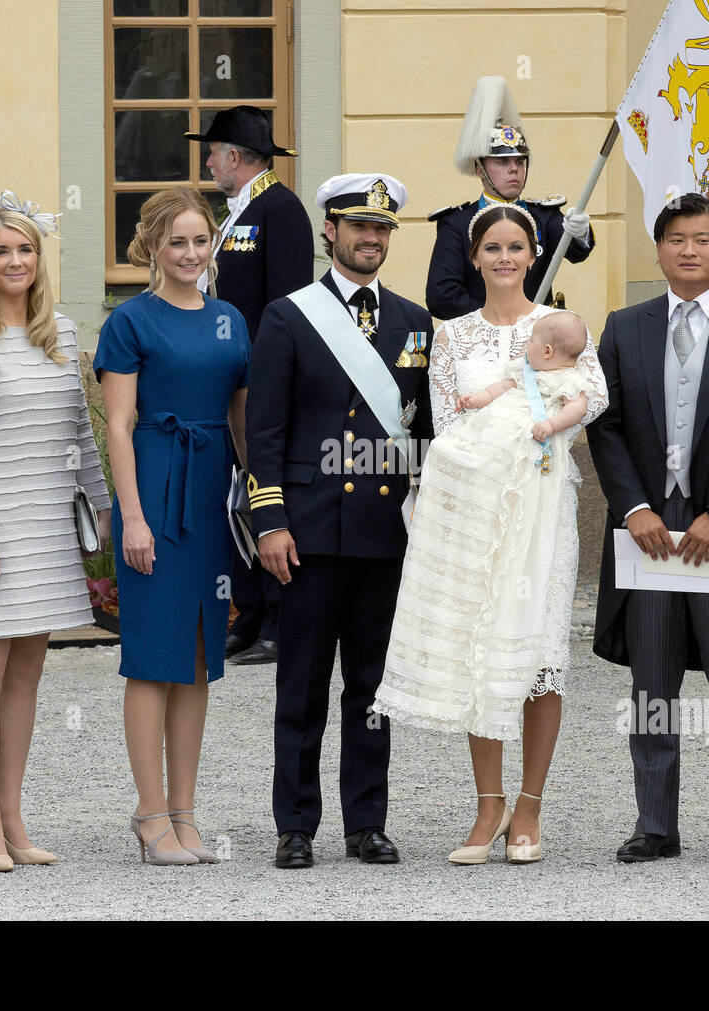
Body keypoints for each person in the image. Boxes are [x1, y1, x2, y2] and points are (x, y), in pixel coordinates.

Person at [585, 192, 709, 865]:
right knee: (653, 685)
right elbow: (606, 426)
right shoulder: (624, 327)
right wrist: (633, 508)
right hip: (647, 529)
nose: (690, 250)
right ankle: (655, 824)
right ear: (659, 250)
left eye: (704, 238)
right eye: (676, 239)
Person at [374, 298, 606, 864]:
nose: (506, 259)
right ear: (476, 258)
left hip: (543, 505)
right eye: (493, 252)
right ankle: (489, 805)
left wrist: (544, 423)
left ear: (531, 257)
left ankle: (529, 806)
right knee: (480, 645)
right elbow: (450, 424)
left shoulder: (561, 326)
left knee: (541, 653)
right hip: (478, 507)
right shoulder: (452, 335)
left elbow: (594, 400)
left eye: (517, 252)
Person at [247, 173, 433, 869]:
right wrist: (269, 520)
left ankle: (367, 822)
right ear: (330, 231)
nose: (371, 238)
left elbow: (426, 430)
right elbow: (264, 429)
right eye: (359, 226)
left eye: (381, 228)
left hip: (383, 532)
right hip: (308, 530)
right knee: (301, 684)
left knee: (373, 687)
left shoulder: (415, 321)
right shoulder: (289, 316)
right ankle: (295, 825)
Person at [0, 191, 111, 871]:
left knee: (29, 670)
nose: (15, 261)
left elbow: (81, 432)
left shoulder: (60, 331)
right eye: (2, 250)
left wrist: (104, 509)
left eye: (26, 249)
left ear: (40, 258)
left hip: (49, 522)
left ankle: (13, 816)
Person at [95, 187, 250, 866]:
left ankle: (184, 813)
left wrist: (259, 500)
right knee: (154, 655)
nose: (190, 253)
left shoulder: (230, 320)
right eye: (177, 241)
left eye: (200, 240)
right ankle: (150, 813)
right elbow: (118, 425)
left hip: (213, 493)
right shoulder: (130, 321)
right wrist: (133, 517)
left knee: (198, 658)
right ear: (153, 247)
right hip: (156, 486)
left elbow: (241, 418)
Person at [186, 105, 315, 667]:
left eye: (213, 154)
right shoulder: (240, 209)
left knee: (264, 493)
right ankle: (251, 612)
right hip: (230, 377)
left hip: (260, 378)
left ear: (235, 157)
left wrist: (268, 374)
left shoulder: (280, 209)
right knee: (236, 497)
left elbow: (285, 306)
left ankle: (281, 621)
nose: (208, 163)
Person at [426, 76, 592, 321]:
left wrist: (579, 231)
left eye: (519, 161)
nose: (514, 169)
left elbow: (577, 253)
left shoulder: (543, 216)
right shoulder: (457, 222)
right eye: (502, 162)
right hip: (481, 335)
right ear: (480, 169)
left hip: (538, 333)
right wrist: (499, 320)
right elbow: (442, 297)